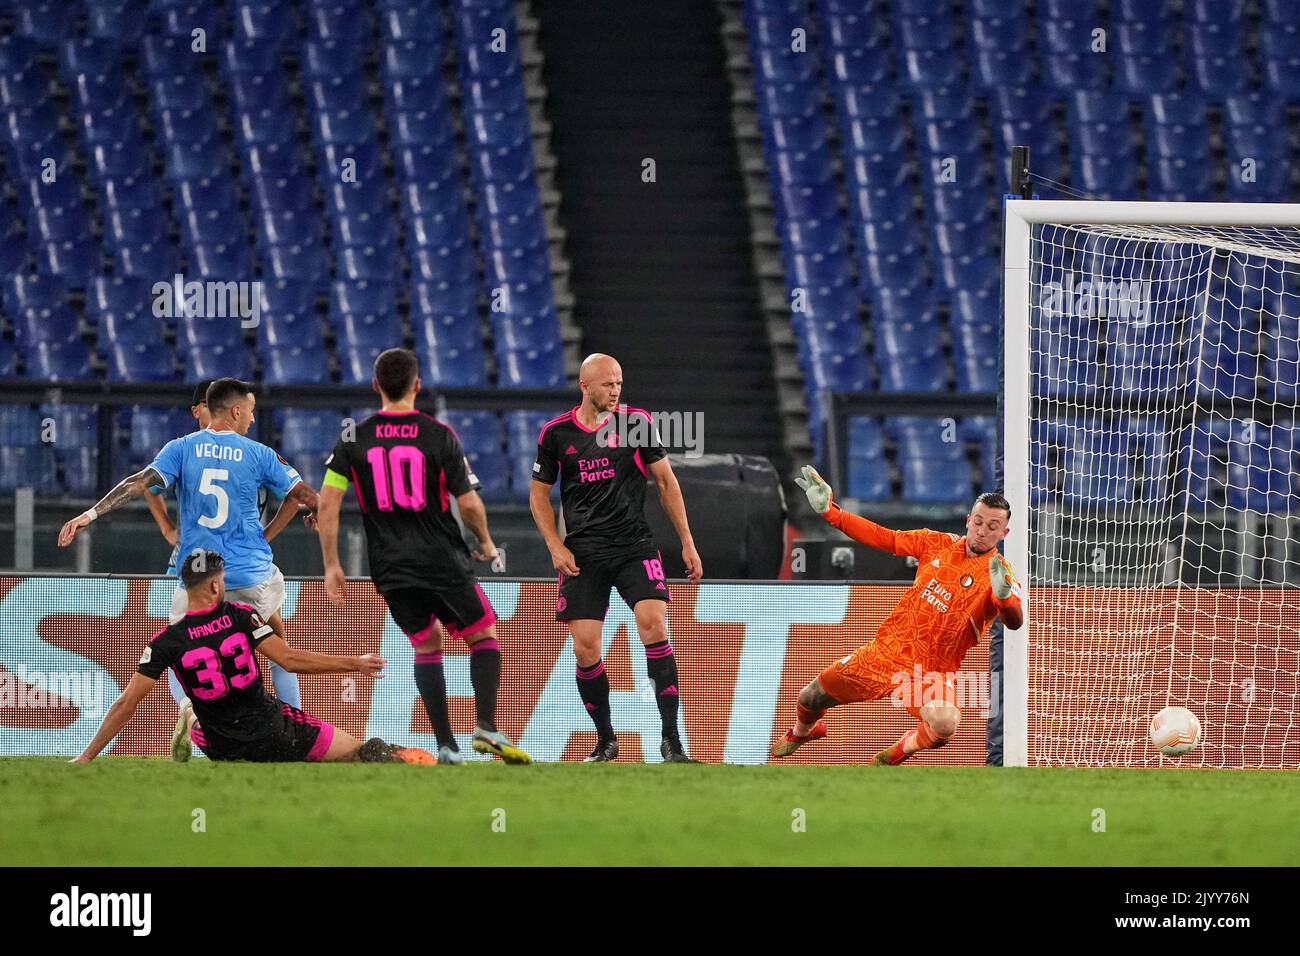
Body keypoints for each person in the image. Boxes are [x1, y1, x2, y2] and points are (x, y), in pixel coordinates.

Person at [57, 379, 316, 746]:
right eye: (252, 411)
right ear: (237, 410)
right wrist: (314, 512)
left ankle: (189, 709)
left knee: (178, 651)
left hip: (197, 577)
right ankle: (296, 729)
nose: (253, 419)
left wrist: (92, 514)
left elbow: (139, 482)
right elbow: (302, 493)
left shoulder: (180, 448)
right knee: (279, 647)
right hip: (249, 574)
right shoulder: (257, 453)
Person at [317, 347, 530, 765]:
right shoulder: (439, 434)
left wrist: (332, 564)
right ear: (417, 385)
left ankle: (447, 747)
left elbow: (327, 504)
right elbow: (468, 503)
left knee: (426, 641)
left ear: (376, 385)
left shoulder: (351, 437)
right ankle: (485, 727)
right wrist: (485, 541)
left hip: (389, 566)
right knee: (483, 635)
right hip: (441, 558)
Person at [71, 550, 433, 764]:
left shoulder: (167, 640)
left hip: (218, 744)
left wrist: (86, 757)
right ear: (215, 585)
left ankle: (191, 718)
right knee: (360, 750)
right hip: (273, 730)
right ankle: (414, 763)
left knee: (201, 716)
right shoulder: (241, 617)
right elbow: (290, 660)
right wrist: (354, 663)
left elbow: (126, 704)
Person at [774, 466, 1024, 765]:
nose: (983, 531)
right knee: (810, 697)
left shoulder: (1001, 575)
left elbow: (1015, 622)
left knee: (945, 724)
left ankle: (900, 750)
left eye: (993, 526)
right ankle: (804, 731)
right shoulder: (936, 543)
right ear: (969, 520)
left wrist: (1005, 599)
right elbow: (884, 537)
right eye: (979, 522)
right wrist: (831, 512)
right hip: (882, 655)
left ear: (1004, 532)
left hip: (930, 673)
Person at [529, 353, 702, 763]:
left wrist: (687, 541)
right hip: (583, 553)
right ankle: (606, 740)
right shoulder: (556, 434)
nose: (616, 391)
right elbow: (538, 494)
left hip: (633, 546)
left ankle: (671, 740)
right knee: (586, 648)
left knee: (654, 623)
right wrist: (555, 545)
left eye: (620, 383)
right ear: (585, 386)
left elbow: (665, 481)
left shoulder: (636, 423)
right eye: (608, 384)